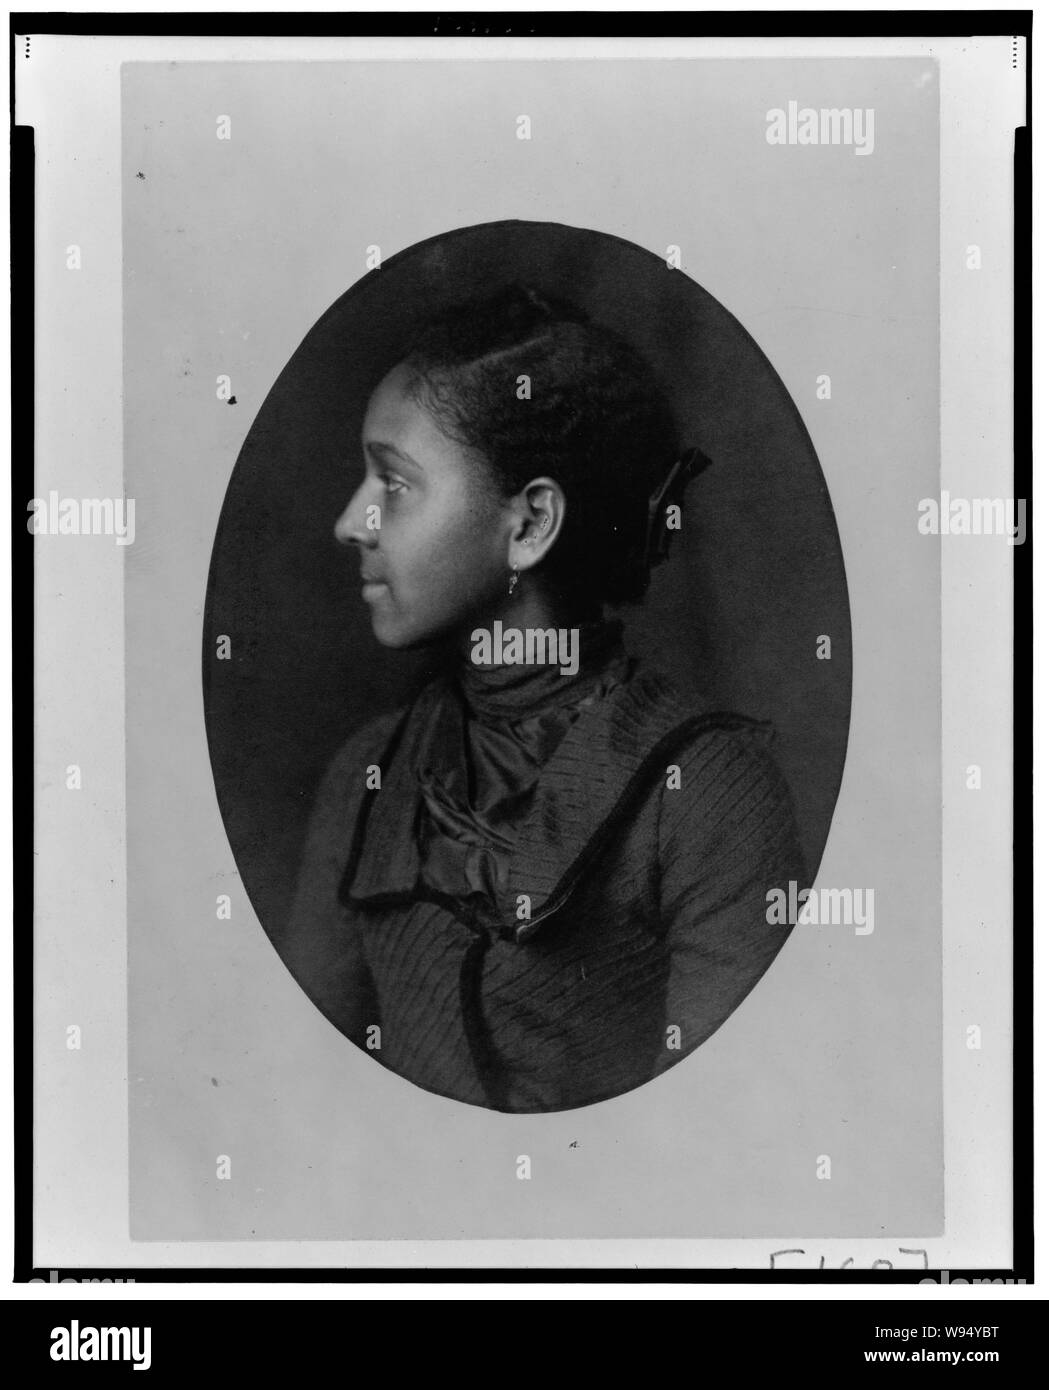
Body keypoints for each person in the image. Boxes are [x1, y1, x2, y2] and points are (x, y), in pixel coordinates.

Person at [284, 283, 805, 1112]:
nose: (353, 521)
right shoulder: (368, 776)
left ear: (528, 525)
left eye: (395, 482)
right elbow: (302, 1103)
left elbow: (728, 1136)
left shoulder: (707, 793)